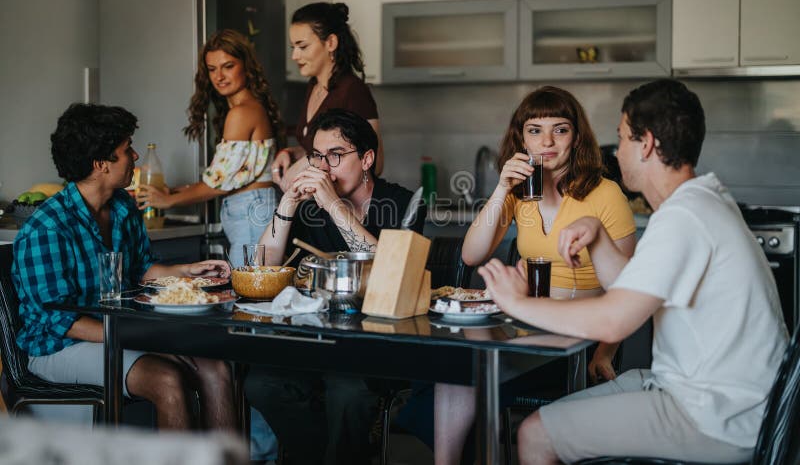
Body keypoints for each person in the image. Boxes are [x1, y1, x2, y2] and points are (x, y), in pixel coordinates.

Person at [481, 79, 789, 464]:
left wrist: (516, 302)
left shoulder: (683, 218)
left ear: (646, 145)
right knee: (548, 420)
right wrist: (597, 236)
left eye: (623, 138)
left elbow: (615, 322)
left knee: (535, 434)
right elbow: (629, 288)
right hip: (715, 395)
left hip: (717, 415)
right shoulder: (699, 201)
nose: (618, 152)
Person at [434, 86, 636, 465]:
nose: (547, 141)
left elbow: (629, 289)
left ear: (576, 137)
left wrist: (606, 353)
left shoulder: (605, 193)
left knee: (476, 369)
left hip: (581, 333)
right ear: (520, 137)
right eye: (534, 130)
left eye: (560, 129)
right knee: (458, 367)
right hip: (525, 325)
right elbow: (472, 253)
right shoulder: (519, 191)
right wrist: (500, 189)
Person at [12, 103, 236, 431]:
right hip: (57, 347)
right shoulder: (46, 227)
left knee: (216, 367)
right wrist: (138, 336)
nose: (135, 157)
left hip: (114, 332)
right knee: (166, 379)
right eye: (126, 149)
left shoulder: (122, 207)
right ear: (101, 164)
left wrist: (189, 270)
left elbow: (139, 269)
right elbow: (59, 320)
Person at [247, 109, 425, 465]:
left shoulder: (401, 203)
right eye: (316, 156)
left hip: (378, 341)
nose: (323, 167)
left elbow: (392, 270)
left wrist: (333, 205)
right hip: (317, 339)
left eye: (336, 155)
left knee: (348, 392)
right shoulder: (308, 207)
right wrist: (287, 205)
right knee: (261, 382)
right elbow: (262, 269)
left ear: (367, 159)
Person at [136, 28, 285, 268]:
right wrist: (174, 191)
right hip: (255, 208)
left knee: (250, 291)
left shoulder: (241, 112)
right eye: (212, 69)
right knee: (255, 289)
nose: (219, 76)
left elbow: (219, 182)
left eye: (228, 66)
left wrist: (167, 201)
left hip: (251, 211)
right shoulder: (249, 107)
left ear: (245, 66)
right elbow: (230, 177)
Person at [271, 2, 384, 191]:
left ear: (331, 43)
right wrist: (291, 153)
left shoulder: (353, 91)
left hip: (343, 209)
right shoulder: (314, 87)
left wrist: (309, 162)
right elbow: (322, 150)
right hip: (316, 208)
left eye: (303, 46)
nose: (295, 56)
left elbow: (376, 164)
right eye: (293, 47)